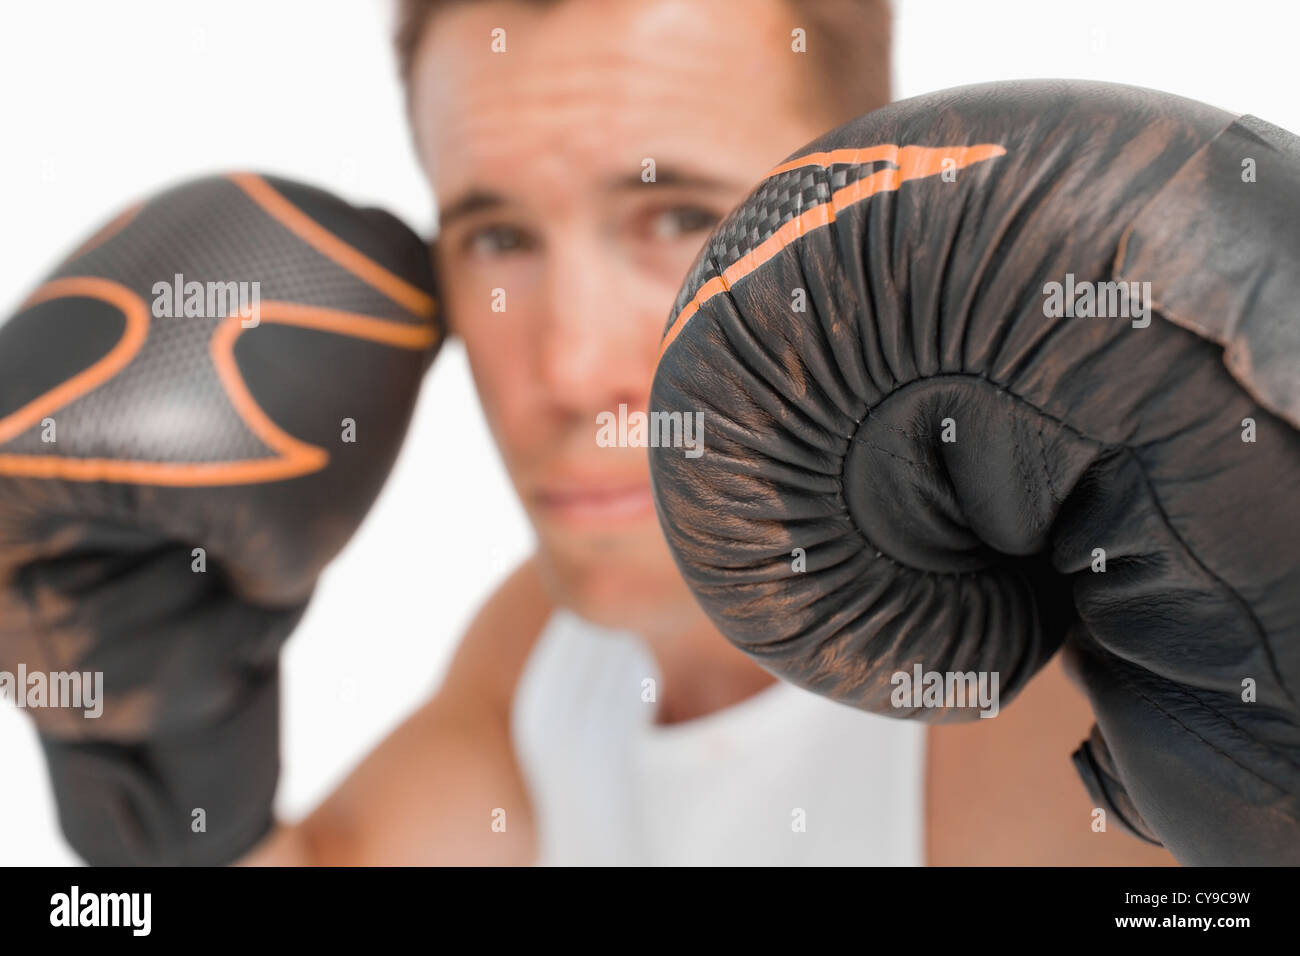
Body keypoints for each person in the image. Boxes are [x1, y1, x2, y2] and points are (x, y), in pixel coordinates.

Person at [242, 0, 1173, 865]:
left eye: (679, 218)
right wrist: (182, 775)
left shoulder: (1047, 708)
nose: (569, 370)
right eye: (500, 237)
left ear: (882, 222)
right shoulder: (545, 656)